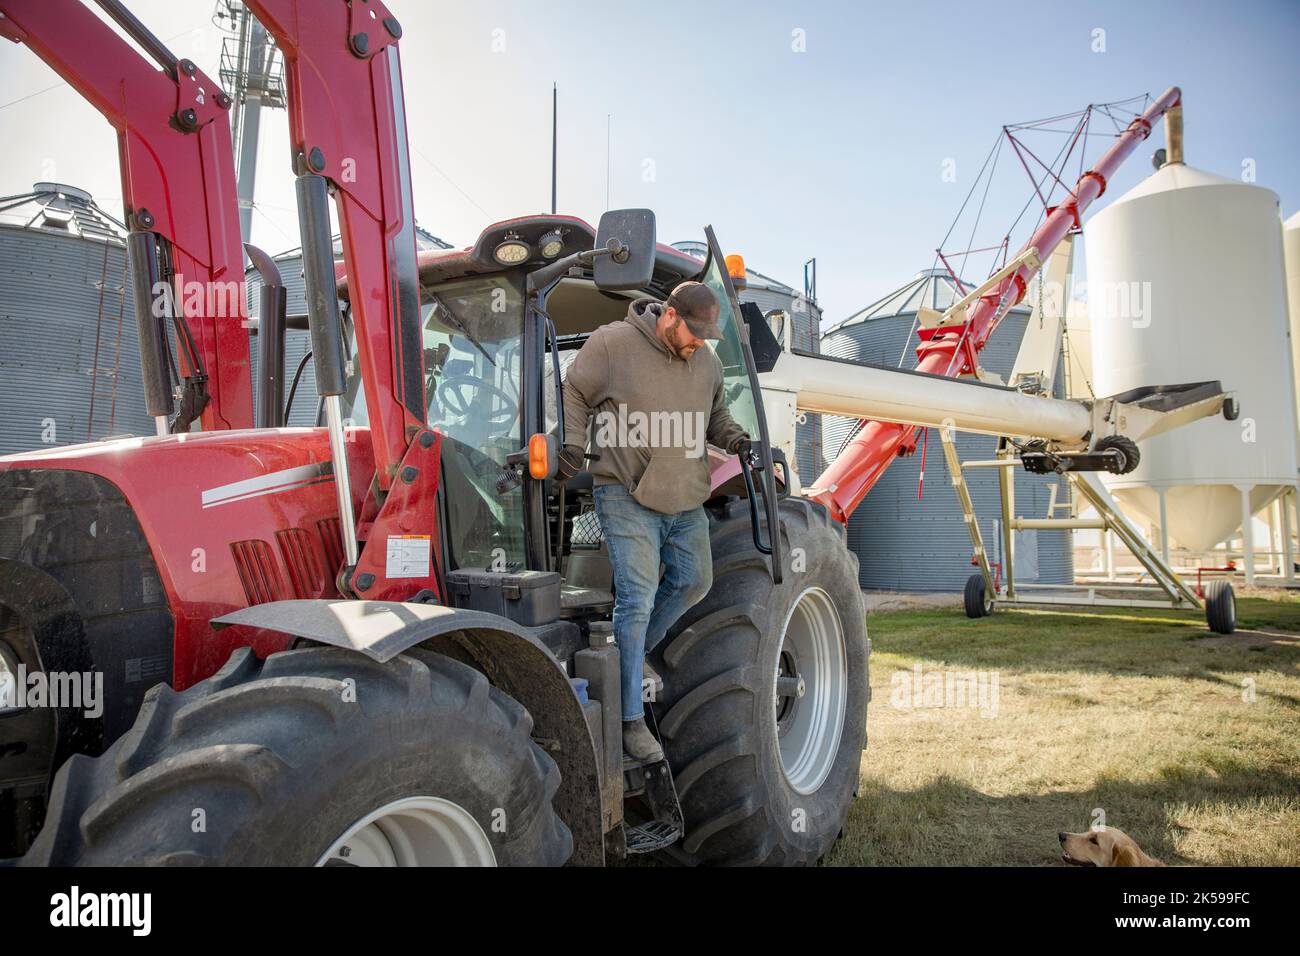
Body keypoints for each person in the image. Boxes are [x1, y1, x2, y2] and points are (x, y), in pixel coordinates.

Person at [558, 281, 750, 761]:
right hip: (625, 493)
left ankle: (633, 650)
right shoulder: (612, 343)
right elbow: (575, 391)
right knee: (636, 601)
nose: (698, 344)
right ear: (669, 315)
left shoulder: (704, 363)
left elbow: (717, 418)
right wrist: (573, 444)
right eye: (693, 332)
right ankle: (629, 720)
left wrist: (739, 440)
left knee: (695, 580)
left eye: (706, 337)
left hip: (685, 497)